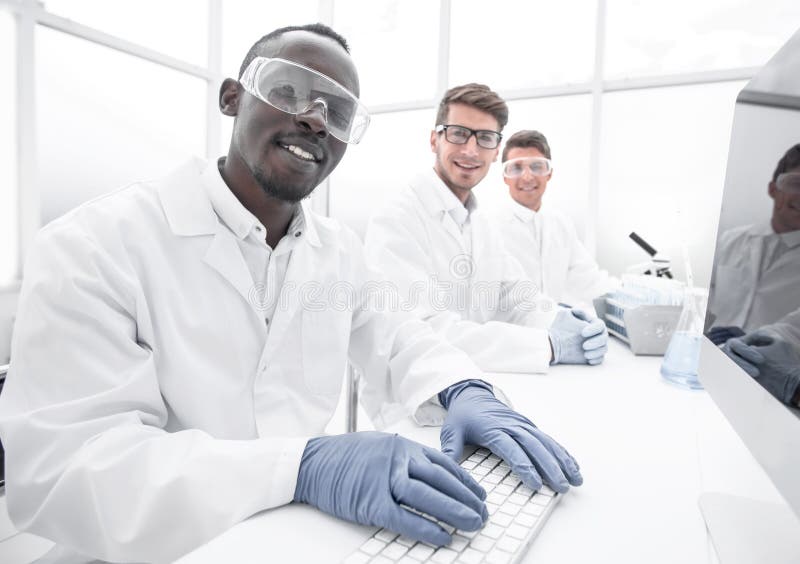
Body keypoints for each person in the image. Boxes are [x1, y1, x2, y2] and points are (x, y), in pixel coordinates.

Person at [0, 25, 582, 563]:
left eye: (338, 111)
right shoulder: (94, 246)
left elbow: (401, 335)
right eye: (289, 89)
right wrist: (300, 467)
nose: (314, 119)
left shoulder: (337, 251)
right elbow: (64, 470)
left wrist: (465, 388)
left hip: (292, 537)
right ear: (231, 97)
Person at [364, 84, 608, 373]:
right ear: (434, 140)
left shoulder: (479, 224)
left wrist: (561, 319)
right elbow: (423, 330)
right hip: (412, 401)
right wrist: (551, 346)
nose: (471, 150)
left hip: (477, 382)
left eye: (485, 138)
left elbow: (515, 294)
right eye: (458, 133)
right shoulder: (397, 218)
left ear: (495, 152)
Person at [494, 130, 617, 309]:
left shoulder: (560, 223)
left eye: (537, 167)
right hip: (509, 333)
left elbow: (589, 279)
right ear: (505, 176)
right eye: (516, 168)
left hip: (551, 331)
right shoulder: (489, 226)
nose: (527, 177)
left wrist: (634, 294)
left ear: (549, 173)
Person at [707, 143, 800, 344]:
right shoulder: (730, 240)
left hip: (767, 369)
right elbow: (704, 303)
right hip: (711, 353)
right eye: (796, 184)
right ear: (773, 189)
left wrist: (760, 341)